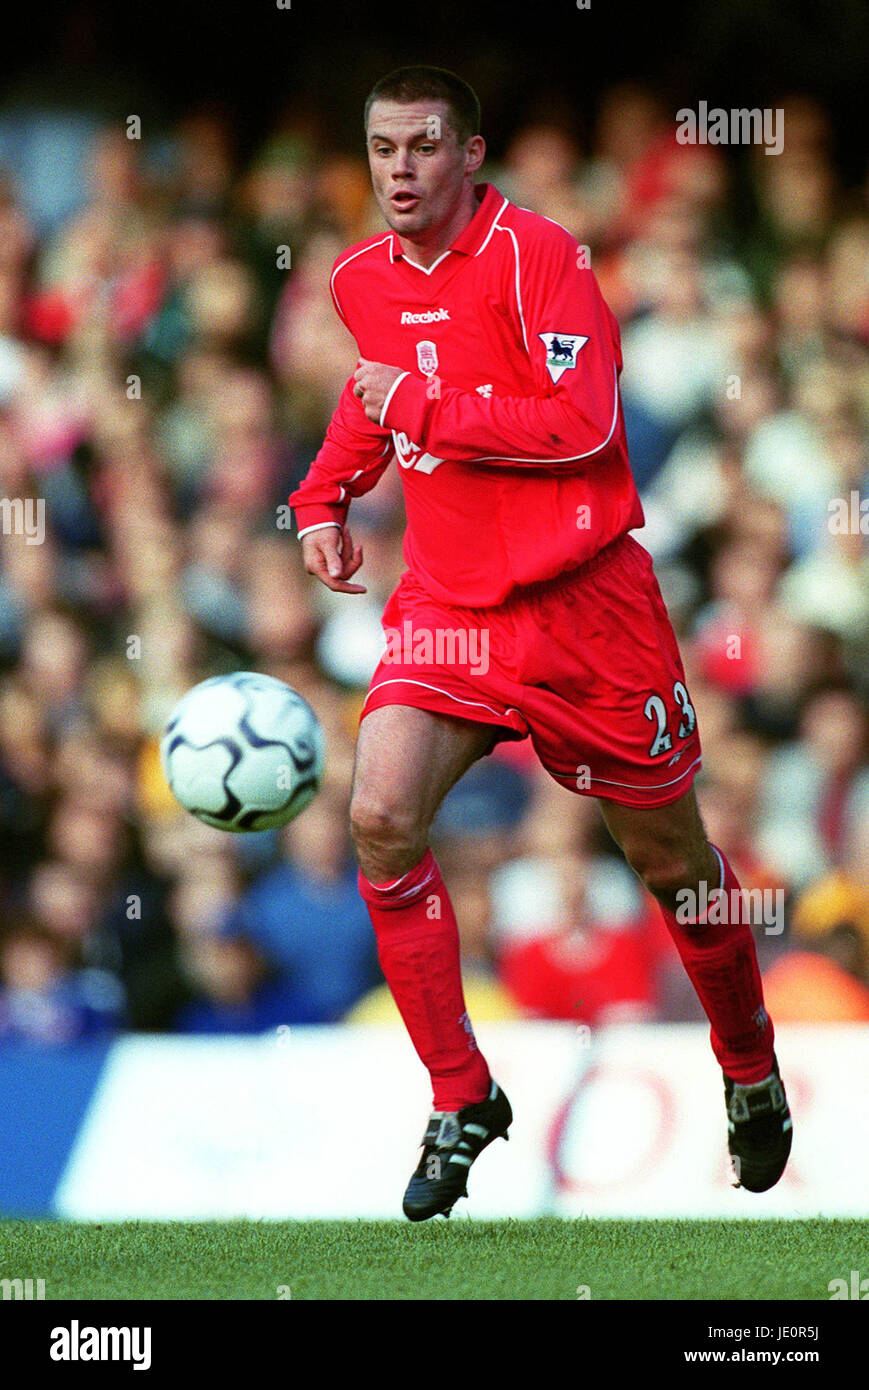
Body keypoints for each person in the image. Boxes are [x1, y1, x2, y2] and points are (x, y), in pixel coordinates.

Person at [288, 66, 792, 1221]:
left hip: (587, 608)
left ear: (471, 156)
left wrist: (415, 407)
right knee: (377, 814)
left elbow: (582, 424)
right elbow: (368, 403)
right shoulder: (361, 278)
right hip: (451, 610)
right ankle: (462, 1092)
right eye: (379, 149)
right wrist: (323, 498)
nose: (398, 171)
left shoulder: (540, 257)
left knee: (673, 867)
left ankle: (749, 1062)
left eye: (421, 147)